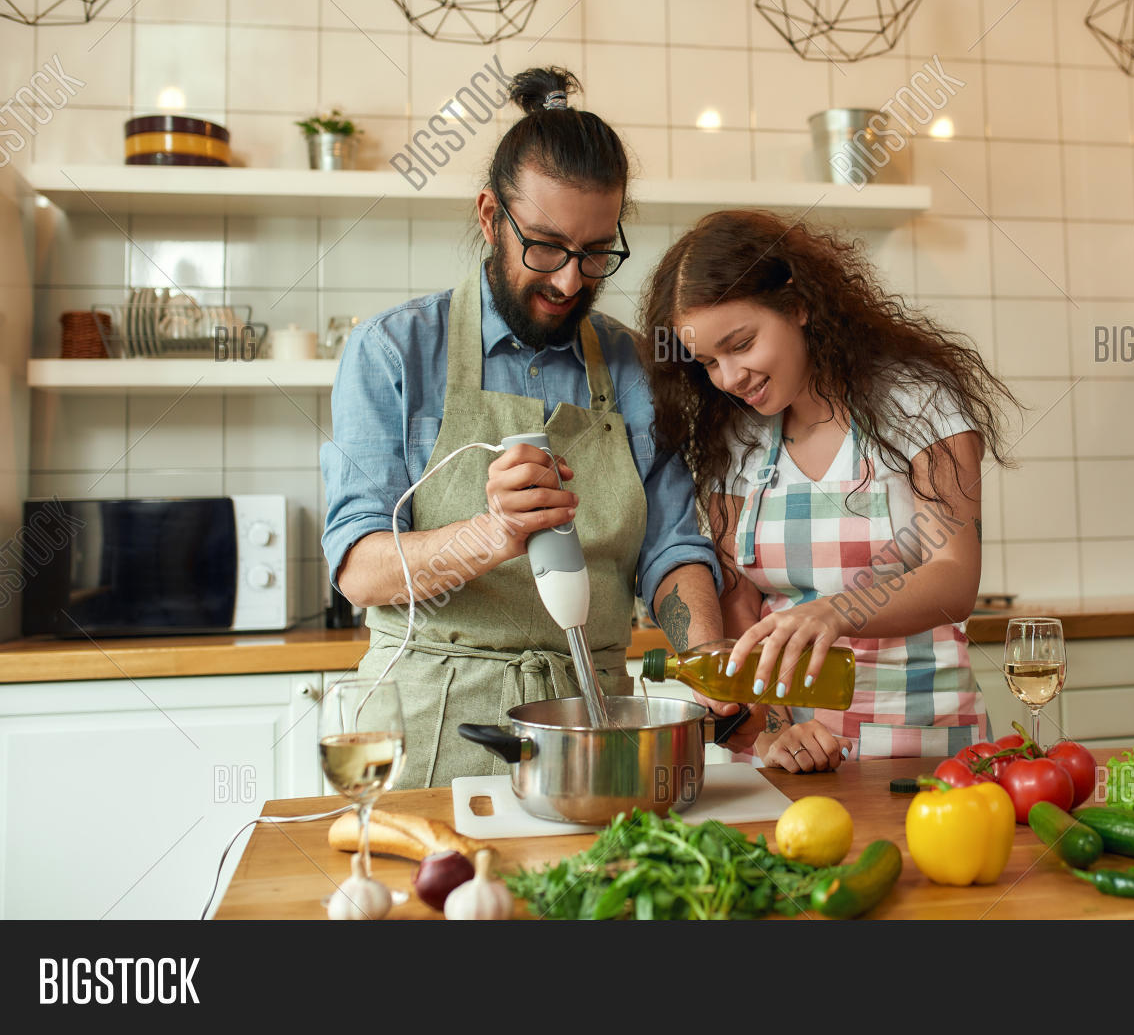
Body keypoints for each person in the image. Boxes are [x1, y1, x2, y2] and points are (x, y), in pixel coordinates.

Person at [320, 67, 760, 789]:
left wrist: (706, 659)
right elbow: (361, 569)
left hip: (596, 726)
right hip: (434, 728)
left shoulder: (635, 365)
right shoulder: (394, 352)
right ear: (491, 216)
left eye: (594, 254)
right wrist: (493, 532)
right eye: (547, 247)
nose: (568, 281)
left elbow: (673, 548)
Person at [642, 209, 1018, 771]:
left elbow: (954, 576)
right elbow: (738, 596)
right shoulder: (735, 435)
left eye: (741, 344)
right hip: (798, 752)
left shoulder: (918, 402)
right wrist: (771, 731)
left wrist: (835, 612)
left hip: (925, 745)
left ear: (797, 304)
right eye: (707, 362)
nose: (728, 377)